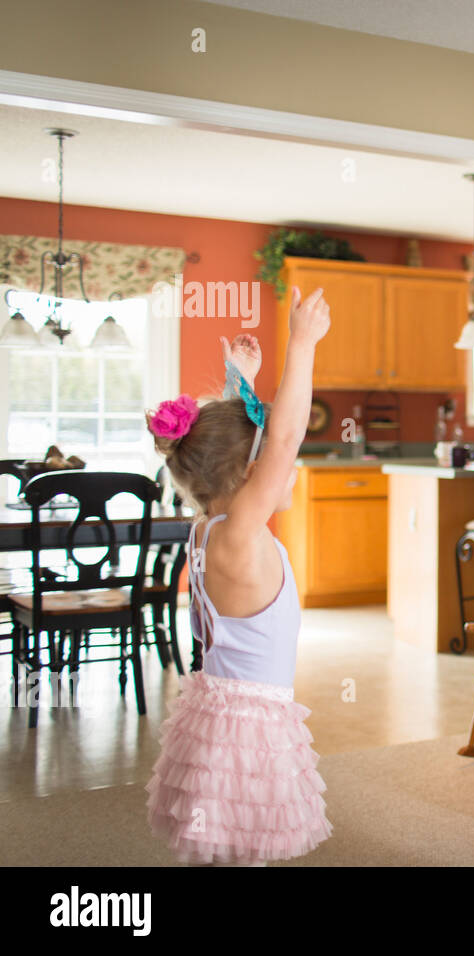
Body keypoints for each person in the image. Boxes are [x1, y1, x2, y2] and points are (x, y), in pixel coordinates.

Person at [143, 289, 333, 866]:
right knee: (247, 837)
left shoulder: (209, 527)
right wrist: (300, 344)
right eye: (279, 466)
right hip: (250, 722)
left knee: (224, 835)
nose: (288, 468)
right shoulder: (242, 534)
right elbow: (282, 435)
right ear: (256, 474)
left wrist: (239, 381)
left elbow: (233, 447)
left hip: (216, 711)